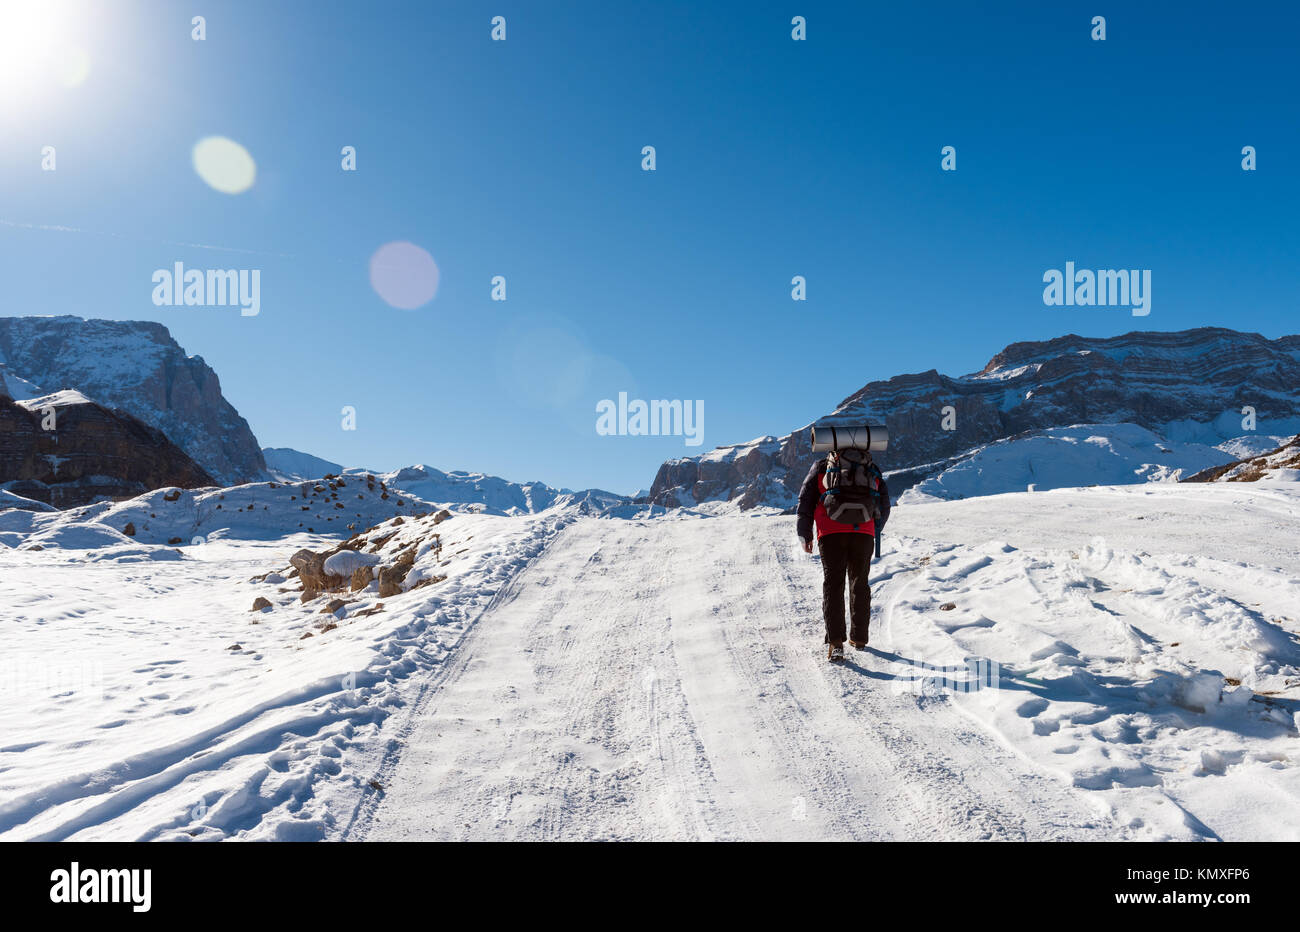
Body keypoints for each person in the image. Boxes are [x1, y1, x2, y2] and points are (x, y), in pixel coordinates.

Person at [796, 449, 891, 663]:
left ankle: (836, 642)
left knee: (833, 584)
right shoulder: (870, 467)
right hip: (863, 533)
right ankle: (859, 638)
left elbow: (806, 499)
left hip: (830, 534)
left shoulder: (822, 467)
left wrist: (805, 533)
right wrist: (875, 528)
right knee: (860, 582)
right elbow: (884, 503)